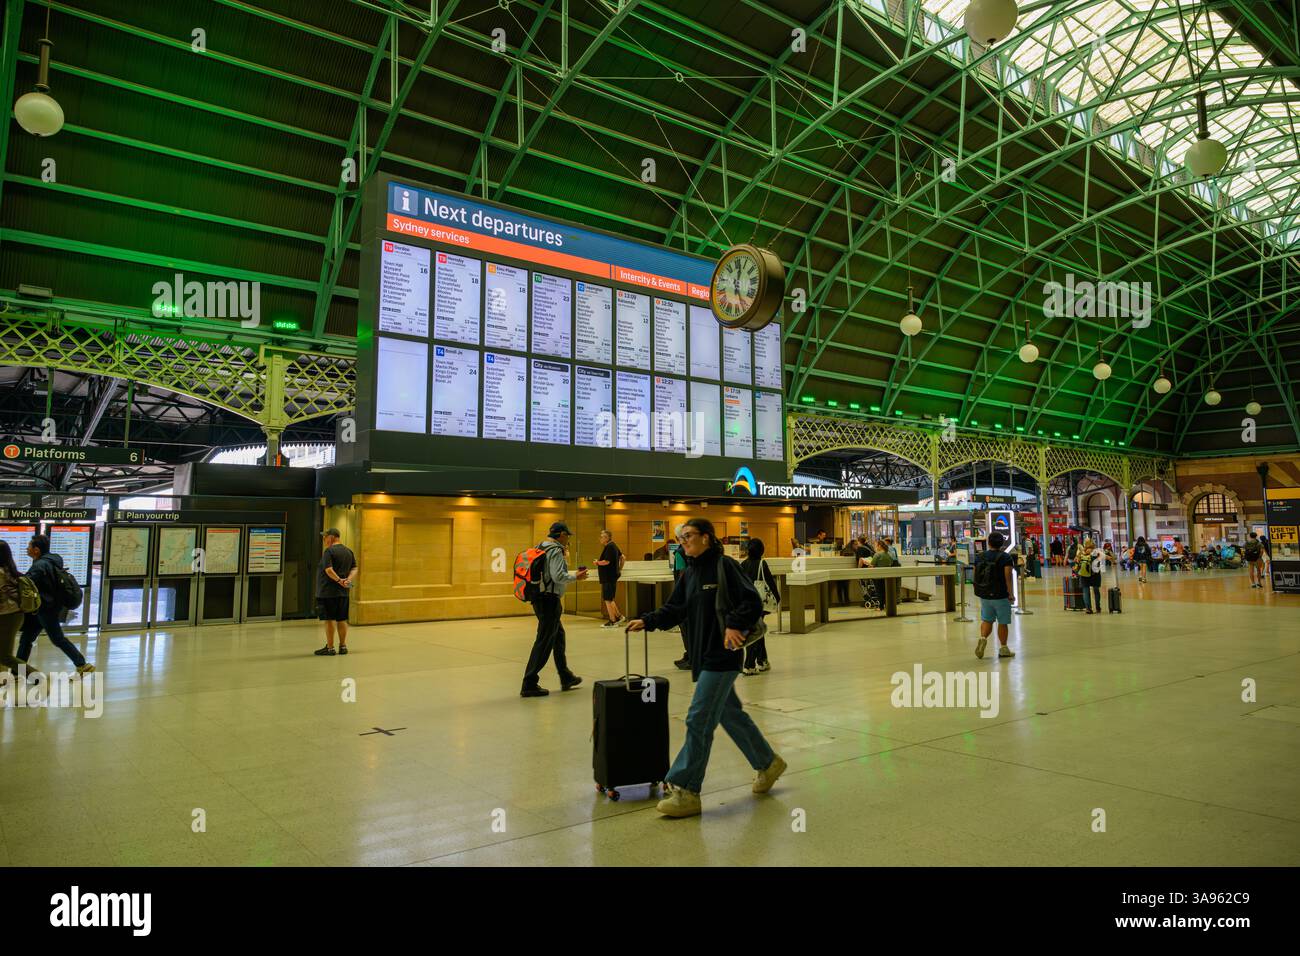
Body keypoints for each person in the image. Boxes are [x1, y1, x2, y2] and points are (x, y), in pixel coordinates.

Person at [627, 517, 785, 818]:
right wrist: (647, 620)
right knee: (731, 714)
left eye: (688, 536)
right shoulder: (688, 574)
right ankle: (767, 763)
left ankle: (686, 789)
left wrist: (734, 625)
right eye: (680, 537)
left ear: (707, 538)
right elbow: (675, 609)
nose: (683, 541)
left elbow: (751, 600)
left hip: (722, 657)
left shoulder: (725, 566)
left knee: (698, 719)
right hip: (702, 657)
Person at [520, 522, 588, 697]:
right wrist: (576, 576)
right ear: (562, 534)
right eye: (568, 536)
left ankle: (565, 676)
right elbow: (558, 576)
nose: (568, 540)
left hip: (539, 598)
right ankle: (529, 682)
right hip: (549, 600)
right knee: (544, 641)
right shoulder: (556, 550)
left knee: (558, 637)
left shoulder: (540, 546)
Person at [17, 535, 93, 675]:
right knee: (26, 639)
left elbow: (26, 583)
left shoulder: (40, 565)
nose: (27, 549)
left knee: (57, 639)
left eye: (29, 546)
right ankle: (17, 672)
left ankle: (82, 664)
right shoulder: (51, 561)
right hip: (44, 608)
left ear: (36, 550)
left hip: (46, 609)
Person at [0, 541, 44, 681]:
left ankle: (37, 677)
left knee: (5, 656)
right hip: (13, 616)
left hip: (7, 617)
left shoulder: (1, 573)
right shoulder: (9, 569)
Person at [971, 531, 1015, 660]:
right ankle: (1003, 648)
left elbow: (975, 574)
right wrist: (1010, 593)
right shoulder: (1005, 557)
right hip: (1000, 594)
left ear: (988, 542)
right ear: (1002, 543)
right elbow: (1008, 577)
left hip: (985, 594)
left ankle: (983, 638)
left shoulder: (980, 556)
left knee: (987, 619)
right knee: (1002, 622)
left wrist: (978, 589)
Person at [313, 528, 357, 656]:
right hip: (343, 593)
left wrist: (339, 580)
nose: (324, 540)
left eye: (325, 537)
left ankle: (330, 648)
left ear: (331, 537)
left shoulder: (329, 551)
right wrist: (347, 580)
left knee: (329, 619)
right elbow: (355, 568)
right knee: (342, 619)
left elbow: (328, 570)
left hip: (328, 592)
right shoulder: (348, 551)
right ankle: (343, 646)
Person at [739, 538, 779, 675]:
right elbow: (770, 582)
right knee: (755, 631)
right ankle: (749, 665)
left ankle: (762, 660)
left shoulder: (743, 564)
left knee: (758, 629)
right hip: (759, 602)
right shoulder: (762, 563)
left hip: (746, 602)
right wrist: (777, 598)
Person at [669, 525, 691, 670]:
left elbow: (682, 575)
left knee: (685, 627)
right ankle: (690, 654)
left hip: (685, 595)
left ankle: (691, 656)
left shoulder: (679, 553)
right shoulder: (695, 550)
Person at [595, 530, 626, 626]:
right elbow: (623, 557)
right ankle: (619, 617)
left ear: (607, 538)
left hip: (608, 576)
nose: (600, 538)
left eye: (602, 536)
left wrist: (597, 562)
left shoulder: (609, 547)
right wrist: (619, 569)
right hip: (611, 576)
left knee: (607, 599)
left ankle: (613, 620)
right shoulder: (614, 546)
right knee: (610, 598)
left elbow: (606, 561)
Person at [1076, 539, 1102, 614]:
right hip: (1095, 574)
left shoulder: (1081, 553)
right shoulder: (1096, 553)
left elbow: (1076, 562)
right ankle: (1098, 607)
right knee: (1096, 591)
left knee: (1086, 591)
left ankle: (1088, 608)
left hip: (1084, 574)